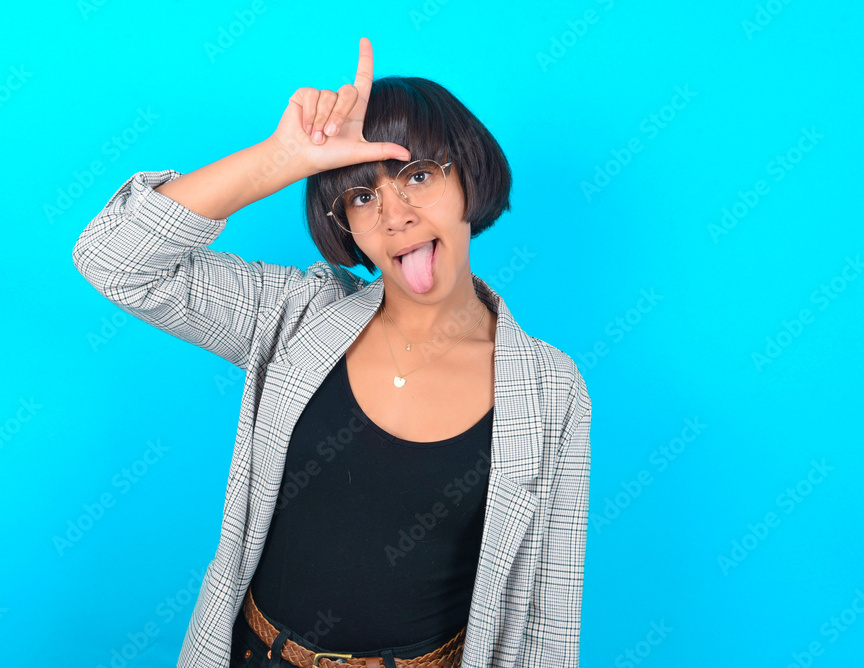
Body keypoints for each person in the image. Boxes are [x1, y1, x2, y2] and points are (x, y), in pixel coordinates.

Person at [72, 36, 591, 668]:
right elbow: (115, 260)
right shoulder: (298, 315)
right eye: (363, 196)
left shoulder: (549, 389)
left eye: (418, 176)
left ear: (468, 179)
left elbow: (546, 611)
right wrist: (280, 158)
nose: (394, 215)